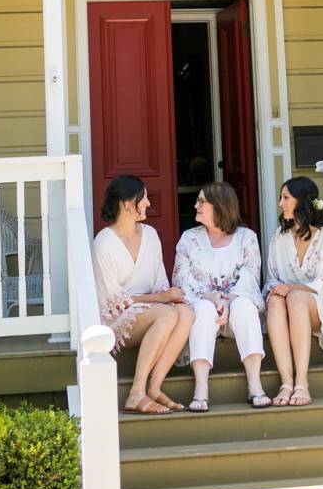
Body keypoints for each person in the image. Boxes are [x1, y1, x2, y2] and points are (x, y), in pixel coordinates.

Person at [92, 175, 195, 414]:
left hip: (152, 311)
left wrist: (168, 297)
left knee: (186, 313)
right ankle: (136, 393)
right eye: (143, 198)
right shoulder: (104, 243)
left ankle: (155, 387)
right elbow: (110, 302)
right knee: (166, 315)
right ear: (127, 203)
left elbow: (159, 283)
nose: (148, 203)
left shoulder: (150, 235)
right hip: (118, 319)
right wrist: (159, 300)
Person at [172, 181, 269, 411]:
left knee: (244, 306)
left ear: (219, 206)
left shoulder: (246, 237)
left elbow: (250, 278)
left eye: (201, 202)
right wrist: (212, 297)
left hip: (236, 309)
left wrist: (227, 300)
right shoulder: (189, 239)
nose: (196, 206)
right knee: (204, 309)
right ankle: (201, 388)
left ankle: (254, 384)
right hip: (203, 308)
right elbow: (181, 280)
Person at [264, 175, 323, 408]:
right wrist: (281, 291)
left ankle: (301, 382)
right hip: (286, 307)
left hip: (322, 306)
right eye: (281, 197)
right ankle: (286, 382)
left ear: (302, 200)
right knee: (275, 300)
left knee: (296, 298)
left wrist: (292, 289)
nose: (281, 203)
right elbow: (271, 279)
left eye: (286, 197)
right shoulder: (279, 237)